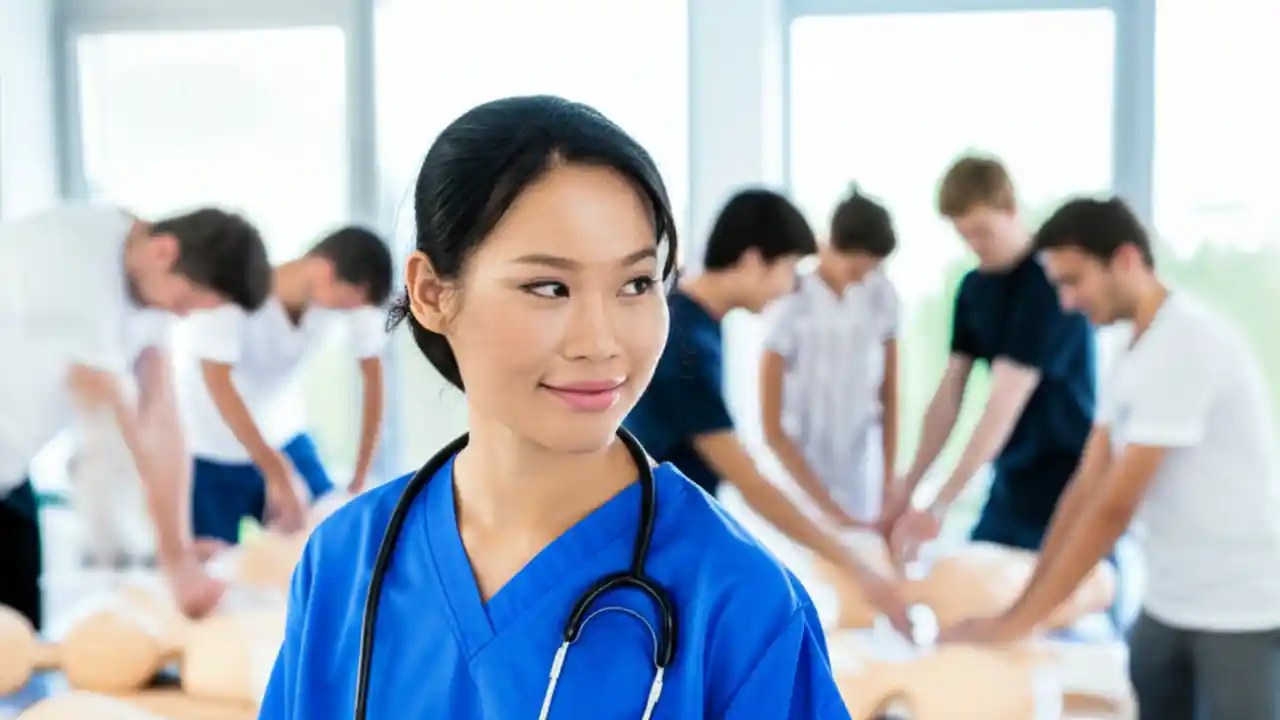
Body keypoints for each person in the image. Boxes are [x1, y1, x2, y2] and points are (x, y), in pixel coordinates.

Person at [260, 96, 856, 719]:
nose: (600, 342)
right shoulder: (346, 566)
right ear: (433, 293)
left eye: (636, 284)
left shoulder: (740, 602)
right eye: (549, 287)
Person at [940, 197, 1280, 720]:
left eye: (1074, 281)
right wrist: (1015, 612)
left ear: (1124, 260)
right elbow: (1085, 484)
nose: (1067, 301)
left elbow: (1112, 508)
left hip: (1238, 609)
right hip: (1169, 601)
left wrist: (1015, 624)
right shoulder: (1130, 351)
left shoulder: (1185, 342)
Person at [624, 187, 911, 633]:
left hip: (672, 536)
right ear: (756, 261)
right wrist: (856, 565)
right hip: (654, 544)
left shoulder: (691, 320)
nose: (793, 284)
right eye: (791, 268)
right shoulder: (685, 343)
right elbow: (749, 481)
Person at [0, 205, 272, 626]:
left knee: (18, 636)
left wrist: (178, 552)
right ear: (165, 251)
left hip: (11, 469)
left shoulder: (144, 273)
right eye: (184, 303)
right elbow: (117, 427)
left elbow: (162, 416)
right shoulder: (74, 263)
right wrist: (170, 559)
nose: (180, 315)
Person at [887, 155, 1095, 560]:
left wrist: (942, 503)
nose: (975, 247)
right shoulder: (974, 288)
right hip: (1009, 484)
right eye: (965, 237)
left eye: (983, 232)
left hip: (1067, 487)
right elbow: (950, 394)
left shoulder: (1049, 283)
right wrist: (907, 488)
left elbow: (1002, 402)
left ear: (1011, 209)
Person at [183, 226, 393, 543]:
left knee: (332, 531)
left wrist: (359, 481)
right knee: (216, 561)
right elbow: (218, 383)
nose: (347, 313)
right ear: (323, 271)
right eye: (346, 303)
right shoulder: (235, 293)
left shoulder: (340, 301)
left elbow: (374, 380)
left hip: (285, 434)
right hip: (212, 447)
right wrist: (276, 472)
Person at [760, 185, 900, 533]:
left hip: (859, 482)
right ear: (828, 245)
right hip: (797, 487)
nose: (862, 278)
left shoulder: (881, 296)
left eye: (870, 269)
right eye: (855, 268)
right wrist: (828, 510)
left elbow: (890, 396)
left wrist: (889, 488)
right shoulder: (789, 302)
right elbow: (772, 429)